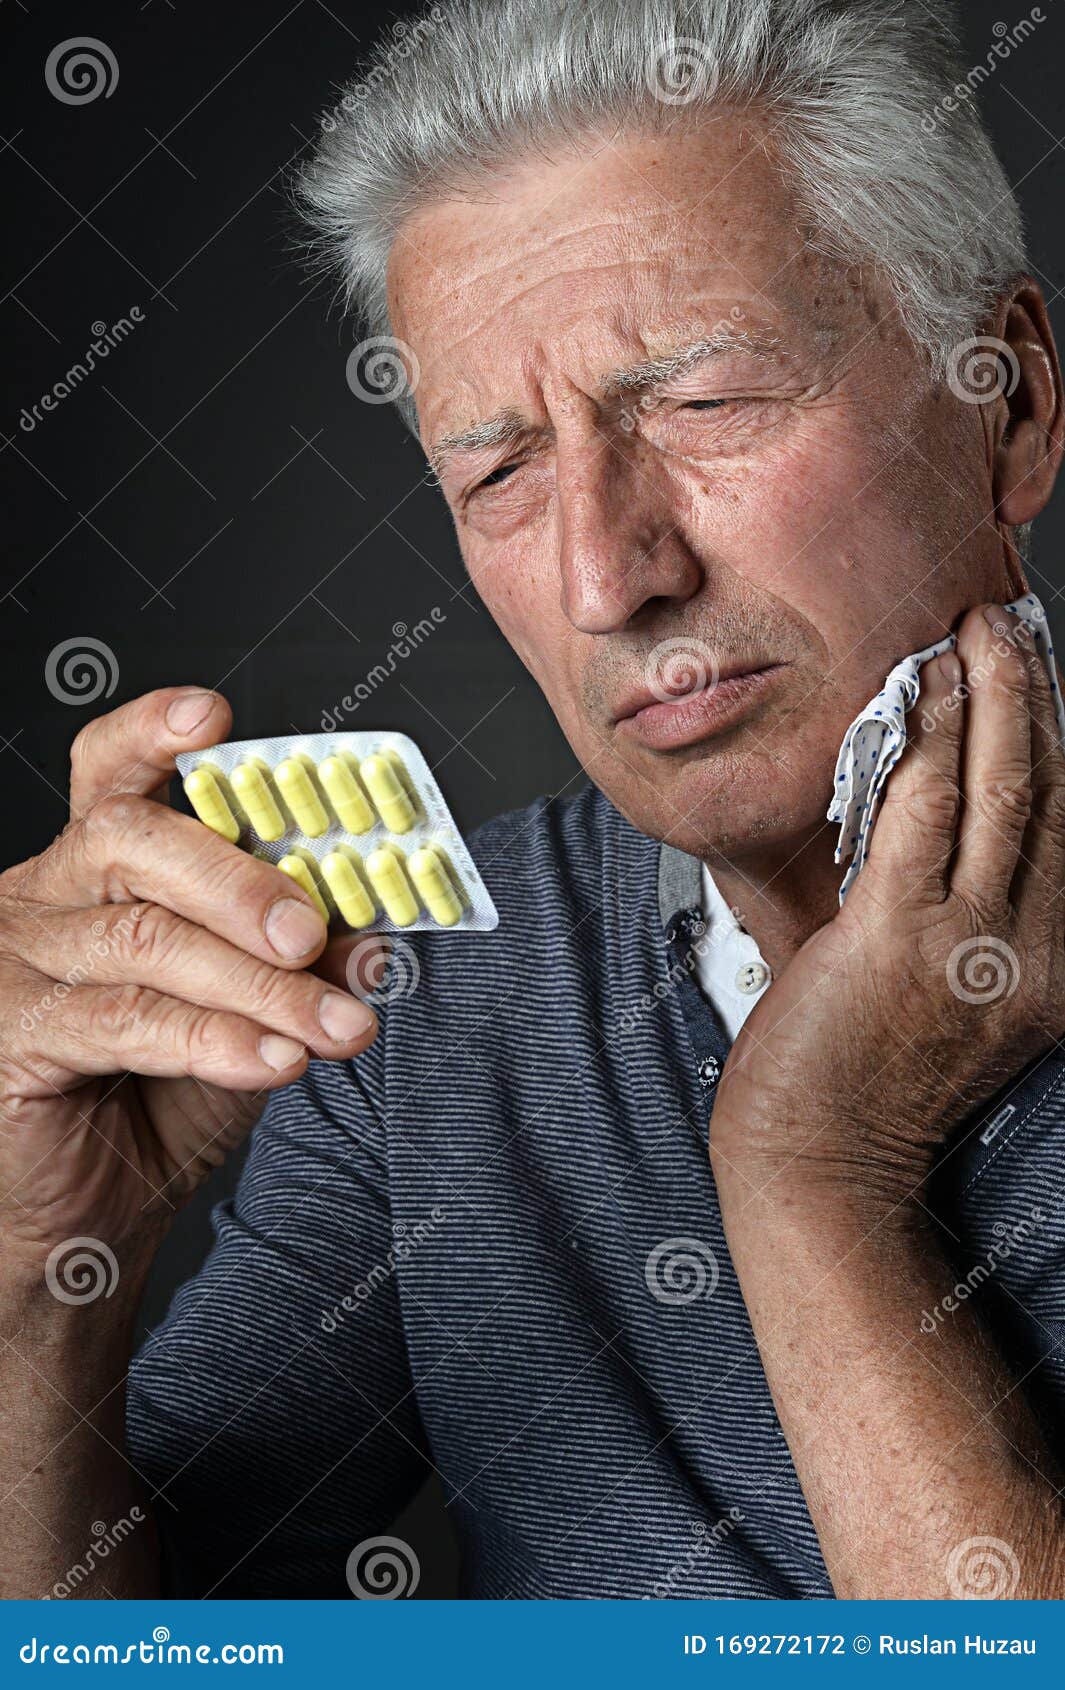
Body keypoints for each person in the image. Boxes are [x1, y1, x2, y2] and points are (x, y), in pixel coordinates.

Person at [3, 0, 1065, 1601]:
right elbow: (132, 1647)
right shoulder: (420, 1002)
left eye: (704, 403)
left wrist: (805, 1169)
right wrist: (39, 1288)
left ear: (1012, 405)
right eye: (498, 470)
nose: (604, 575)